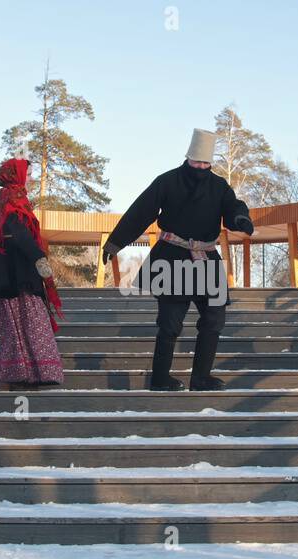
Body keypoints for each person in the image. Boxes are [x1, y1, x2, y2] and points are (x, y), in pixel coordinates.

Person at [102, 128, 254, 391]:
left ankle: (201, 377)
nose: (201, 167)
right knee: (170, 323)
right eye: (197, 162)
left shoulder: (219, 186)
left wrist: (241, 219)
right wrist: (116, 241)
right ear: (188, 158)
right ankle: (160, 378)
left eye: (206, 163)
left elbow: (232, 207)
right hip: (172, 257)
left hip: (206, 258)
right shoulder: (167, 181)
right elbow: (141, 211)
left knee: (215, 318)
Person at [0, 158, 65, 390]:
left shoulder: (8, 198)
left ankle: (23, 373)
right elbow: (15, 230)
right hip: (12, 274)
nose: (29, 177)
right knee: (23, 321)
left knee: (20, 324)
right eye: (26, 173)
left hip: (11, 272)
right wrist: (38, 257)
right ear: (16, 176)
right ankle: (21, 374)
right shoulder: (11, 199)